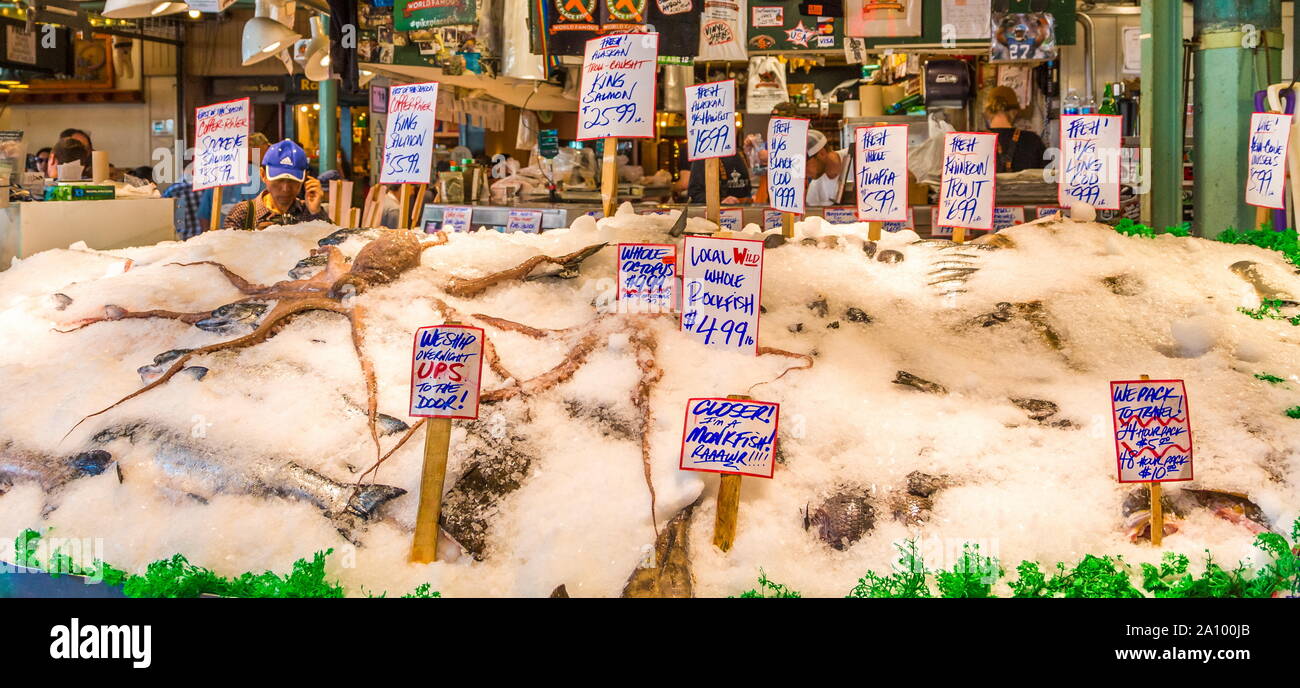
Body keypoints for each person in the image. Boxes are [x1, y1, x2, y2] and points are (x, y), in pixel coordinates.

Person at [222, 139, 328, 230]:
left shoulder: (310, 213)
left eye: (293, 181)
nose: (285, 188)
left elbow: (332, 246)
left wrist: (316, 212)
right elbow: (227, 251)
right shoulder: (242, 214)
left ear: (304, 178)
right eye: (279, 180)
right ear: (263, 175)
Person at [983, 85, 1047, 172]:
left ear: (988, 111)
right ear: (1015, 111)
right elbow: (1050, 178)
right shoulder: (1032, 140)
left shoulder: (975, 141)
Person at [675, 147, 753, 204]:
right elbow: (694, 193)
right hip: (718, 216)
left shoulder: (740, 153)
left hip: (744, 213)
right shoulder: (703, 156)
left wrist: (752, 197)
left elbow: (747, 188)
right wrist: (719, 201)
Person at [804, 129, 848, 206]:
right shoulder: (815, 184)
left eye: (806, 165)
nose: (803, 172)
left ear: (822, 153)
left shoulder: (858, 158)